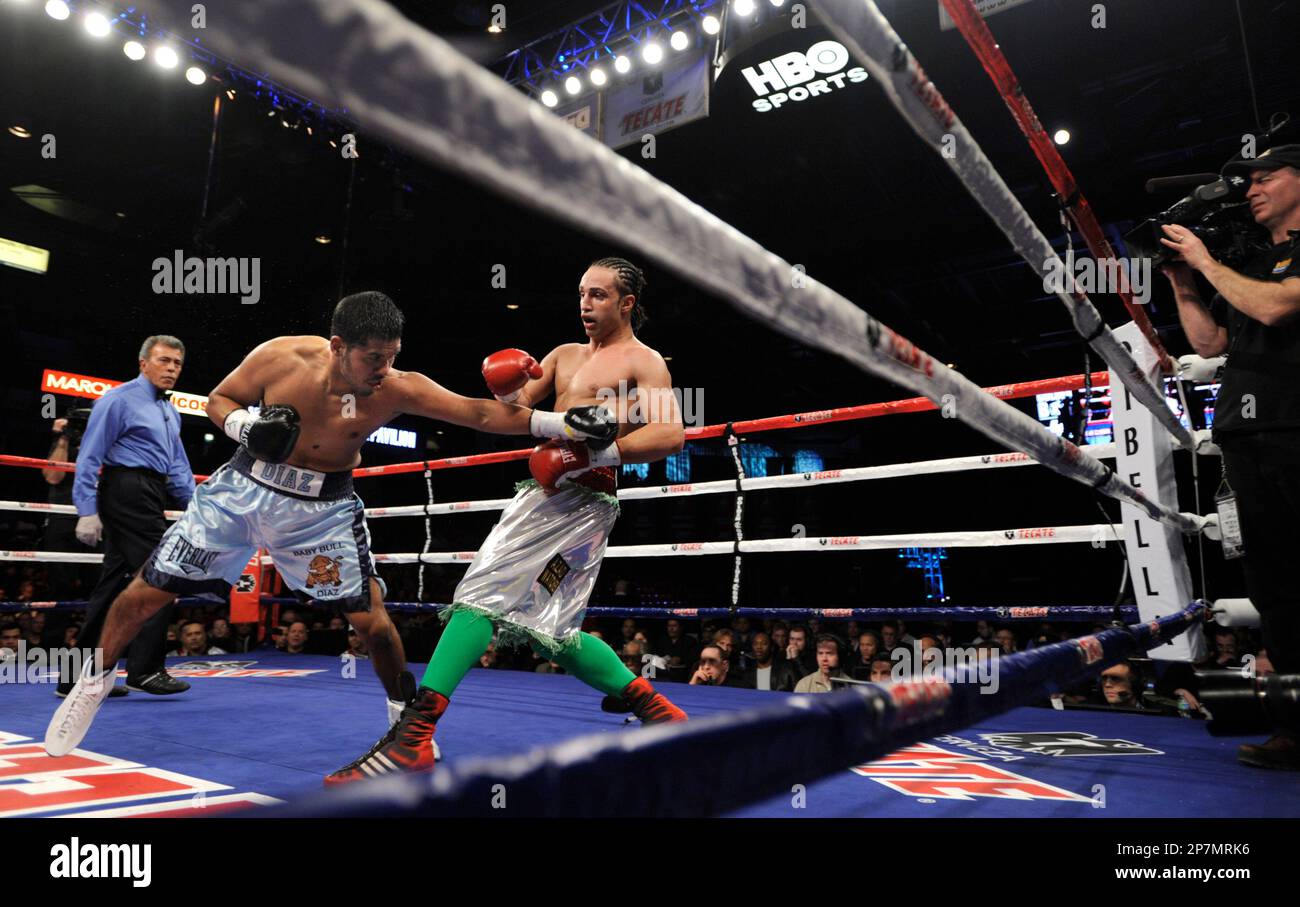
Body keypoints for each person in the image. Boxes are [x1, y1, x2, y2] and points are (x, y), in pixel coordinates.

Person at [46, 290, 614, 762]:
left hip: (321, 511)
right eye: (372, 358)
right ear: (338, 346)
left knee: (371, 620)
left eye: (392, 355)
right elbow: (220, 398)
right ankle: (91, 684)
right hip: (243, 490)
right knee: (144, 590)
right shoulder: (281, 358)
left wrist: (561, 421)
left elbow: (481, 412)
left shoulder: (395, 386)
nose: (382, 370)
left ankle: (404, 723)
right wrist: (245, 426)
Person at [327, 257, 689, 784]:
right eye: (582, 293)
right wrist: (504, 387)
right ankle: (659, 711)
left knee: (478, 597)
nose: (586, 304)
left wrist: (591, 456)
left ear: (627, 303)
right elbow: (520, 411)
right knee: (552, 632)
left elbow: (670, 435)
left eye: (600, 296)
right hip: (545, 493)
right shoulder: (563, 356)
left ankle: (414, 738)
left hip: (582, 501)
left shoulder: (645, 362)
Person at [1162, 144, 1300, 769]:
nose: (1252, 189)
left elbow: (1278, 306)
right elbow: (1210, 341)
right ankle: (1296, 731)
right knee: (1277, 592)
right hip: (1246, 437)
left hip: (1296, 431)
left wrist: (1203, 257)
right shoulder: (1256, 263)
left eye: (1266, 177)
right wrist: (1183, 281)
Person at [61, 336, 197, 700]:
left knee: (113, 586)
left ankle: (77, 677)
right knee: (162, 575)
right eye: (164, 361)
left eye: (177, 363)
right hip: (126, 488)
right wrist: (86, 510)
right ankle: (146, 670)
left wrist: (196, 505)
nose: (171, 368)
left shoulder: (170, 411)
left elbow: (178, 466)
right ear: (143, 363)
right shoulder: (118, 400)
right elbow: (90, 455)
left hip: (150, 491)